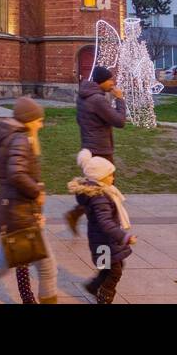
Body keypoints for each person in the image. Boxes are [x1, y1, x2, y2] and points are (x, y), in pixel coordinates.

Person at [0, 97, 57, 304]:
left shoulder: (12, 137)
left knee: (2, 264)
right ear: (29, 120)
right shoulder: (20, 140)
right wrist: (36, 191)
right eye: (38, 120)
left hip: (13, 210)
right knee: (47, 268)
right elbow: (16, 173)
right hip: (20, 212)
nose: (41, 124)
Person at [68, 148, 136, 304]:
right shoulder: (100, 197)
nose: (113, 178)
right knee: (114, 272)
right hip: (105, 243)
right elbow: (105, 223)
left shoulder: (102, 192)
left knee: (109, 267)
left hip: (103, 241)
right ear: (100, 177)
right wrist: (124, 237)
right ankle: (104, 299)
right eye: (110, 175)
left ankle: (93, 286)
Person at [66, 64, 127, 234]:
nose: (113, 83)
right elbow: (120, 121)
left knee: (93, 188)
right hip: (101, 149)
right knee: (107, 188)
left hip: (89, 145)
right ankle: (110, 224)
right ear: (101, 81)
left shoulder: (84, 96)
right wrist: (120, 99)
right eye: (110, 80)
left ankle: (76, 214)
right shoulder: (98, 100)